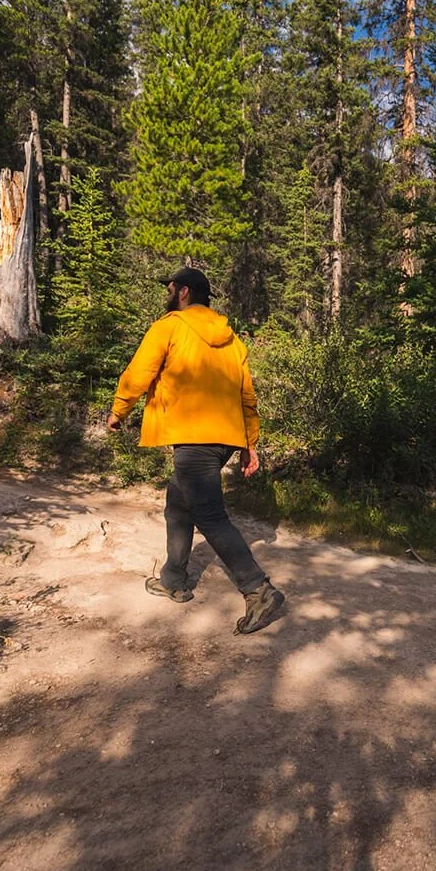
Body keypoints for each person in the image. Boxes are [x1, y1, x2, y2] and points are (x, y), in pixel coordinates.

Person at [107, 267, 285, 635]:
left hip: (195, 437)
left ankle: (258, 589)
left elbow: (139, 372)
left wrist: (119, 410)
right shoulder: (232, 341)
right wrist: (250, 444)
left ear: (184, 292)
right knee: (178, 502)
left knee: (209, 514)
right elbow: (247, 397)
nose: (168, 293)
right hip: (225, 440)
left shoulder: (169, 326)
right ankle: (173, 577)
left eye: (171, 287)